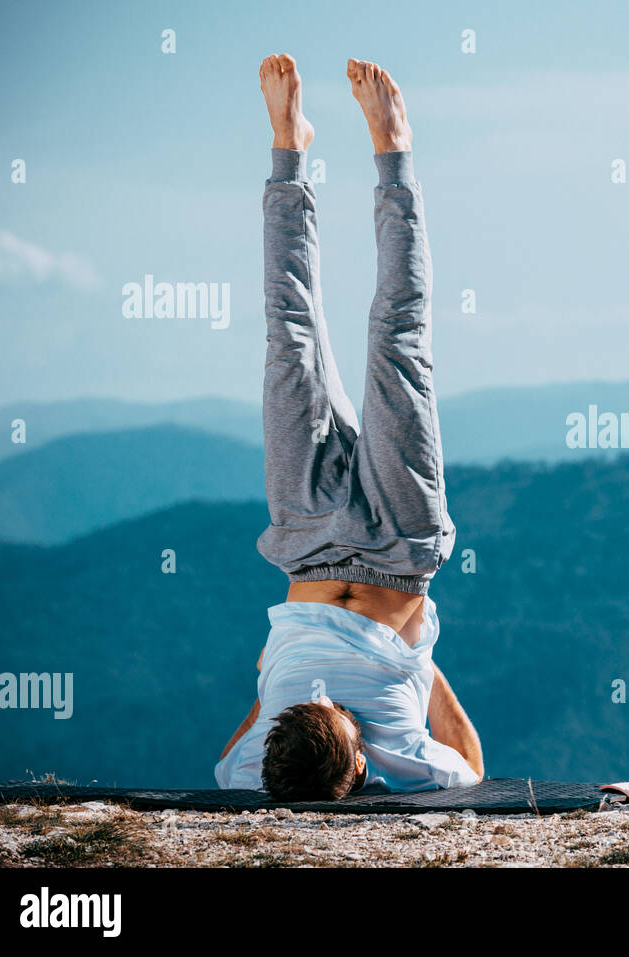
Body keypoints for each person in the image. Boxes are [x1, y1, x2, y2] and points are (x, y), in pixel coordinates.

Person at [215, 54, 482, 800]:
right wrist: (417, 656)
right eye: (336, 710)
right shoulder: (406, 761)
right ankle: (394, 153)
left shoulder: (257, 764)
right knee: (399, 342)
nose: (328, 691)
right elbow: (474, 763)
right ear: (361, 760)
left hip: (304, 541)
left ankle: (288, 149)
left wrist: (278, 683)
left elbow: (251, 725)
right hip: (399, 549)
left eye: (314, 700)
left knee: (288, 338)